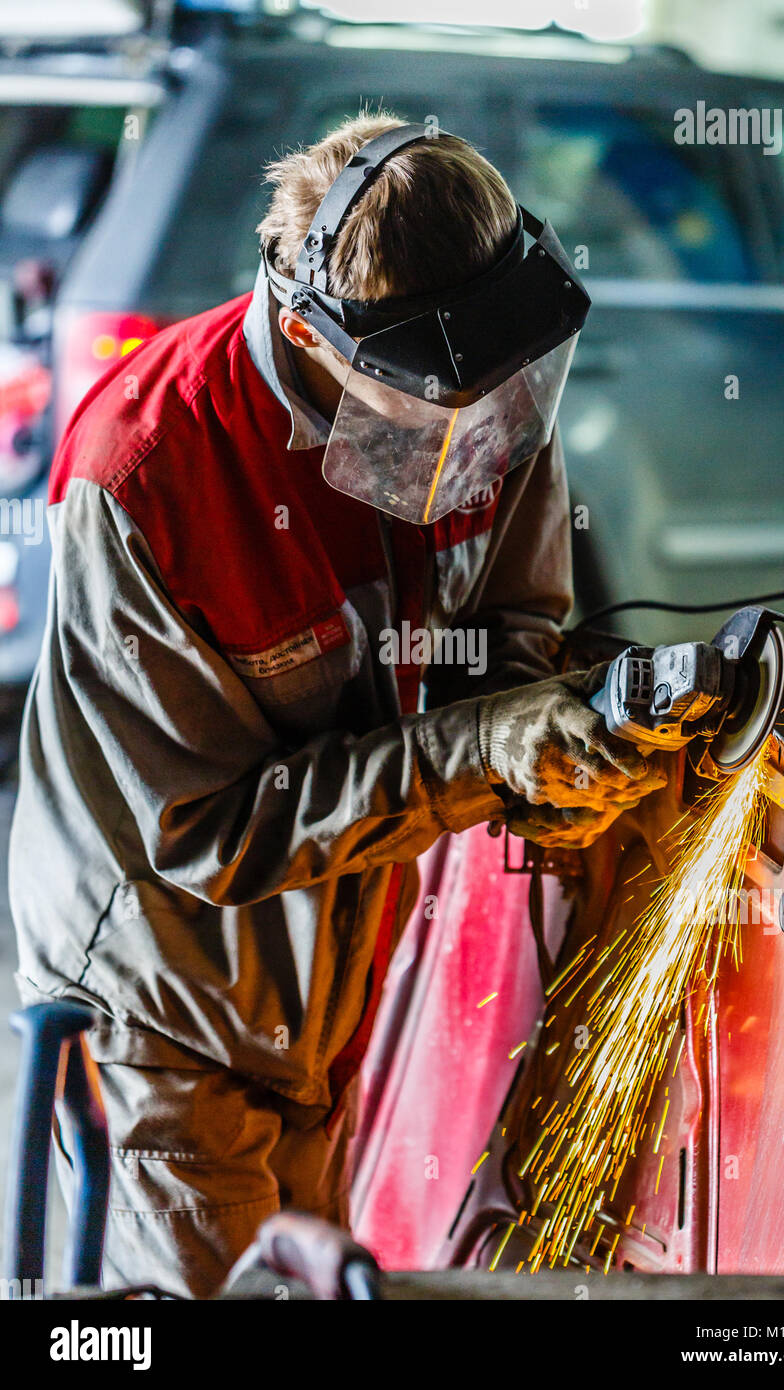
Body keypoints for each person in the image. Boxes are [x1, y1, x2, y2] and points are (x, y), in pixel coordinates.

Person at [8, 114, 665, 1297]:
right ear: (315, 336)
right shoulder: (147, 474)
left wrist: (548, 756)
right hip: (163, 1005)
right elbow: (204, 829)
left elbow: (504, 642)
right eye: (440, 413)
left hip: (333, 968)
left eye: (505, 398)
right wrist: (478, 750)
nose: (486, 440)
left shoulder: (480, 385)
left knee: (318, 1278)